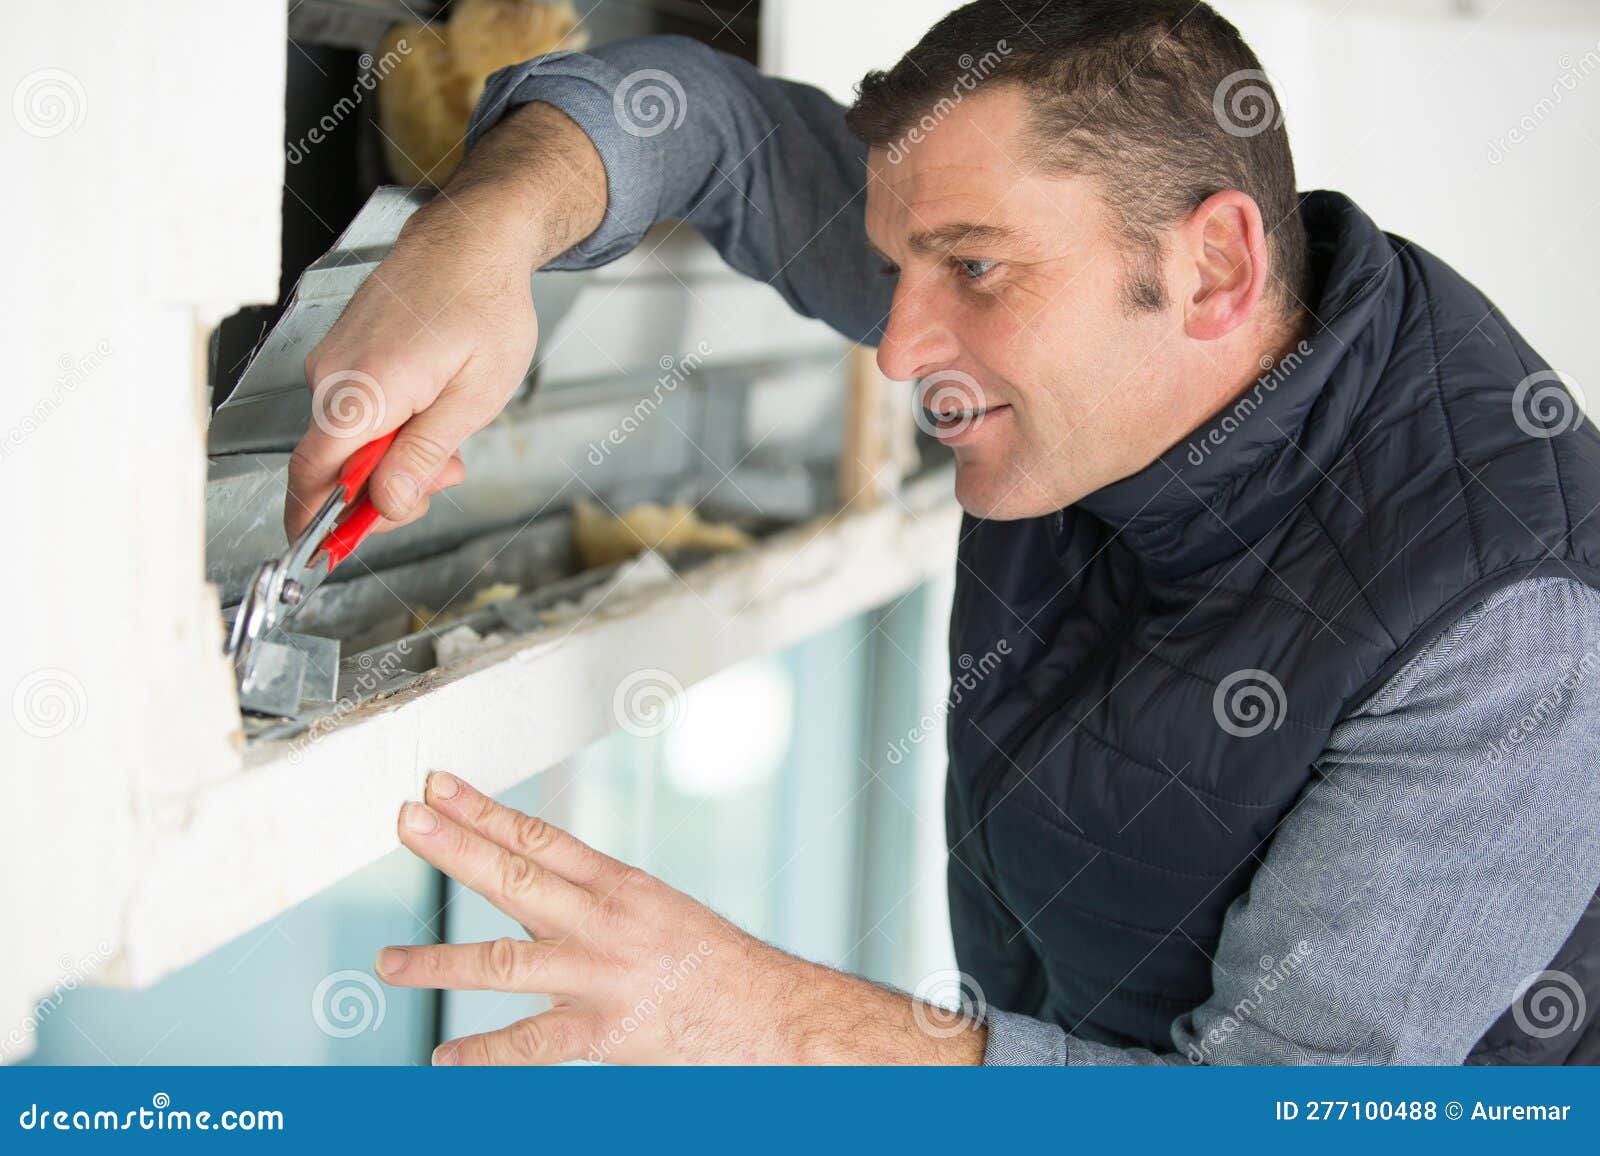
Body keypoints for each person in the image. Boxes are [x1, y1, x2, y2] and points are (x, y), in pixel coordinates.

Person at [294, 1, 1600, 1064]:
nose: (903, 349)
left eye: (973, 269)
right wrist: (477, 237)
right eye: (902, 265)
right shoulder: (1111, 311)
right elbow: (706, 123)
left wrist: (769, 1020)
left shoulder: (1509, 637)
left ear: (1213, 268)